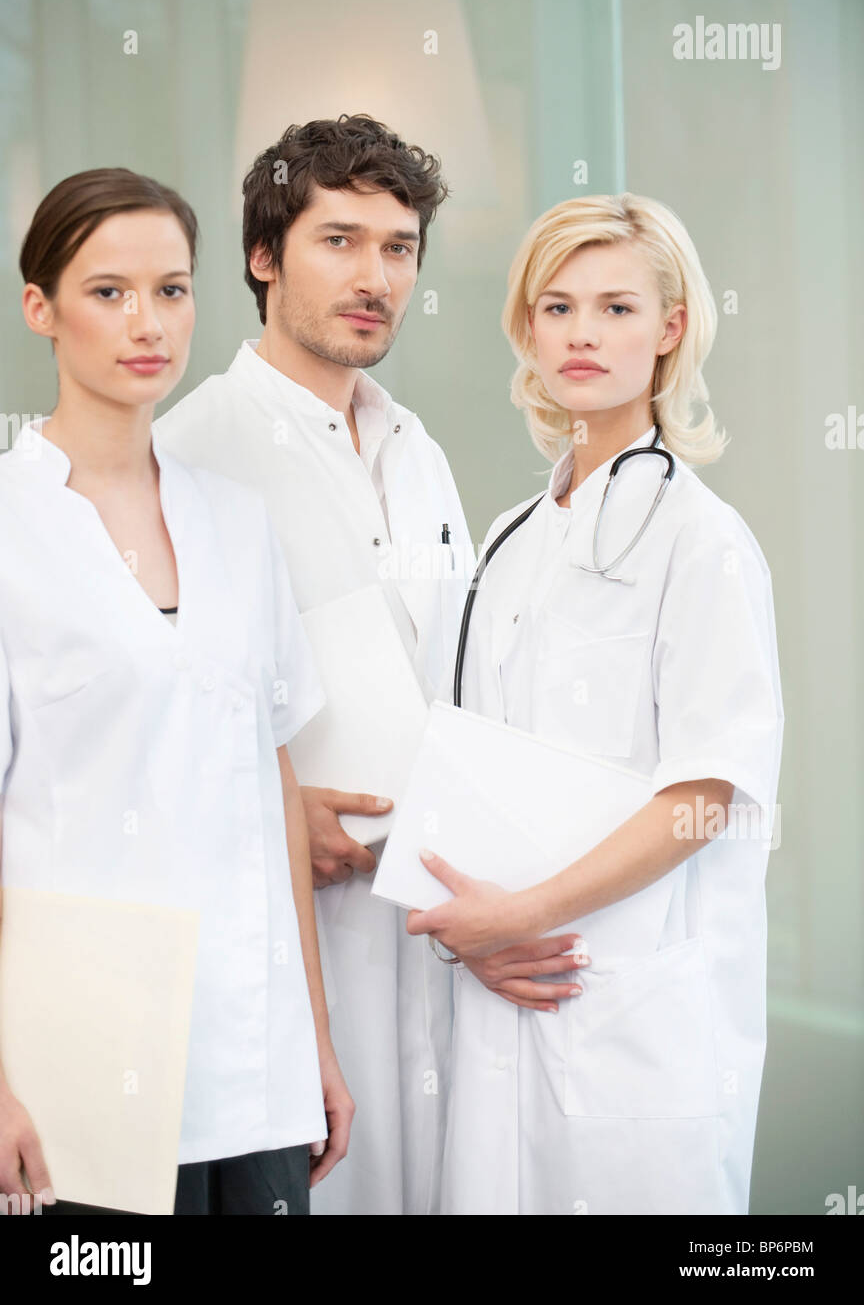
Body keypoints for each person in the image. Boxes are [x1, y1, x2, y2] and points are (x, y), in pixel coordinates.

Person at [154, 115, 582, 1215]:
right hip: (291, 949)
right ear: (262, 257)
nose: (375, 275)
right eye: (339, 239)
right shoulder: (193, 452)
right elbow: (141, 724)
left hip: (439, 934)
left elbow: (454, 698)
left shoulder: (421, 452)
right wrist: (277, 809)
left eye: (399, 247)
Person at [408, 193, 784, 1215]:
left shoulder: (700, 541)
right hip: (496, 1002)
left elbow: (708, 791)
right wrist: (468, 930)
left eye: (618, 308)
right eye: (558, 305)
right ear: (527, 329)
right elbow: (468, 769)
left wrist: (516, 918)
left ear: (670, 331)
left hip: (631, 1011)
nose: (583, 333)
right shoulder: (507, 540)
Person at [0, 168, 352, 1216]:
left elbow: (271, 782)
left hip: (254, 1063)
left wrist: (314, 1048)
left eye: (171, 288)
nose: (147, 321)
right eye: (108, 292)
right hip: (78, 1070)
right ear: (40, 309)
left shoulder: (238, 524)